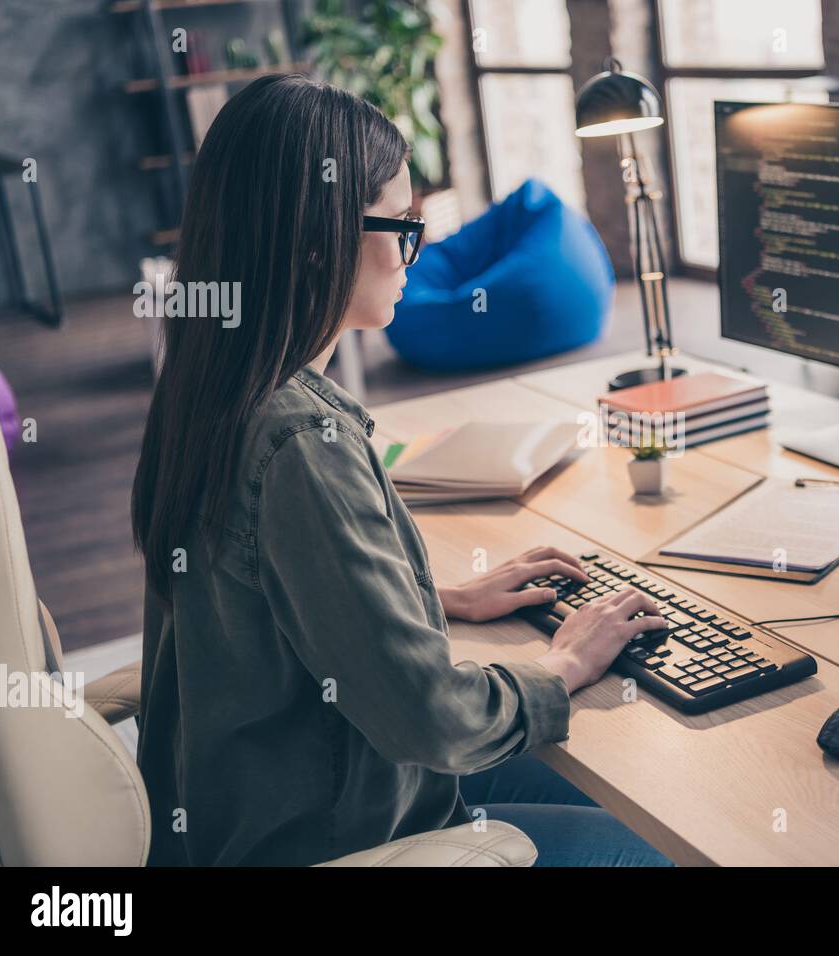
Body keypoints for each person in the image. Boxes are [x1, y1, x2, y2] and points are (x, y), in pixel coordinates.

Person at [131, 74, 671, 867]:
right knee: (654, 844)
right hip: (330, 838)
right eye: (403, 224)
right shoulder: (302, 443)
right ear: (318, 242)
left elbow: (259, 605)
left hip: (241, 820)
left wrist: (435, 600)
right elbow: (436, 720)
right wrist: (565, 662)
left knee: (606, 787)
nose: (418, 250)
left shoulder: (207, 389)